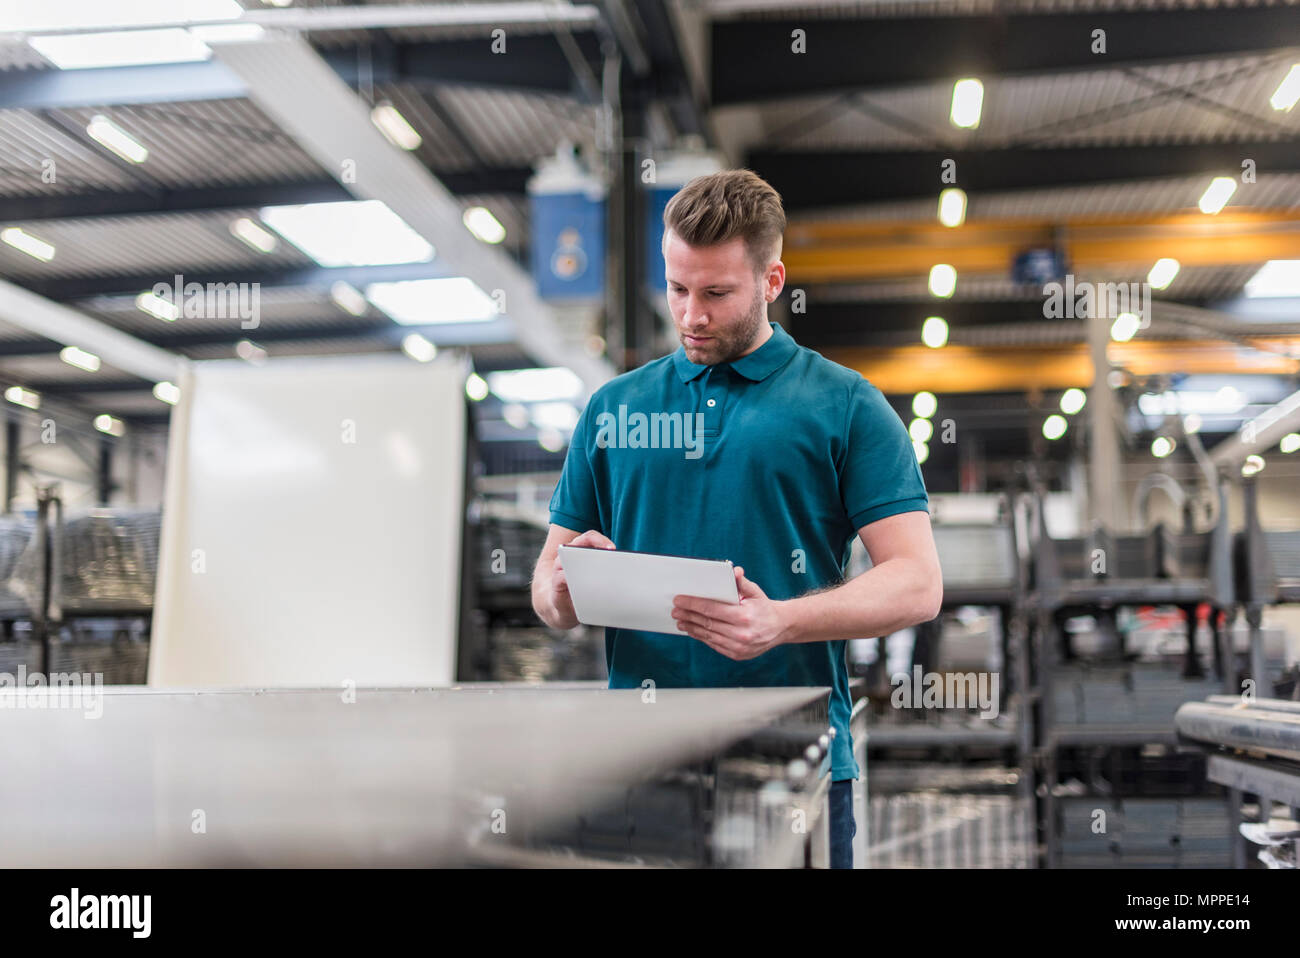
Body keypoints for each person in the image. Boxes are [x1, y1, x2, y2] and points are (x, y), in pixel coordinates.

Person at [531, 168, 942, 868]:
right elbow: (547, 582)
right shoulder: (613, 409)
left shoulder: (844, 404)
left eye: (717, 293)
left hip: (795, 764)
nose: (691, 316)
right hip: (641, 766)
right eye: (677, 289)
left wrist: (782, 619)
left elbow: (917, 583)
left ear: (772, 281)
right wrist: (562, 592)